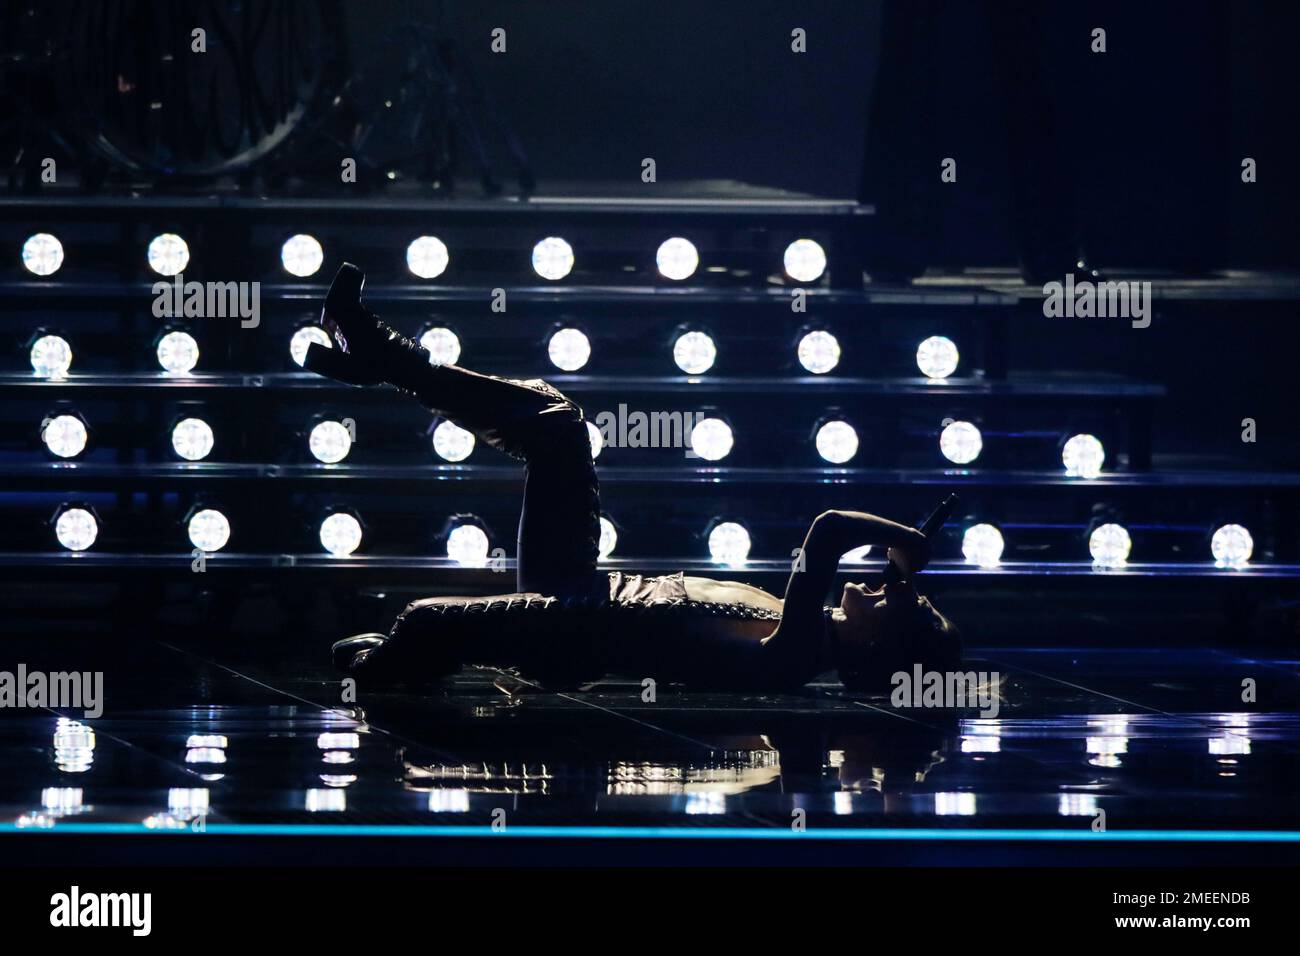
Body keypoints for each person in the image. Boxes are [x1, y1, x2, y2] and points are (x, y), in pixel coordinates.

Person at [307, 264, 959, 692]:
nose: (892, 585)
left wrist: (908, 538)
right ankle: (383, 357)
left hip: (568, 623)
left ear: (881, 644)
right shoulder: (800, 622)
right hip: (580, 582)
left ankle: (392, 662)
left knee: (422, 623)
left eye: (910, 603)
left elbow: (829, 530)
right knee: (558, 423)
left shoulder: (795, 657)